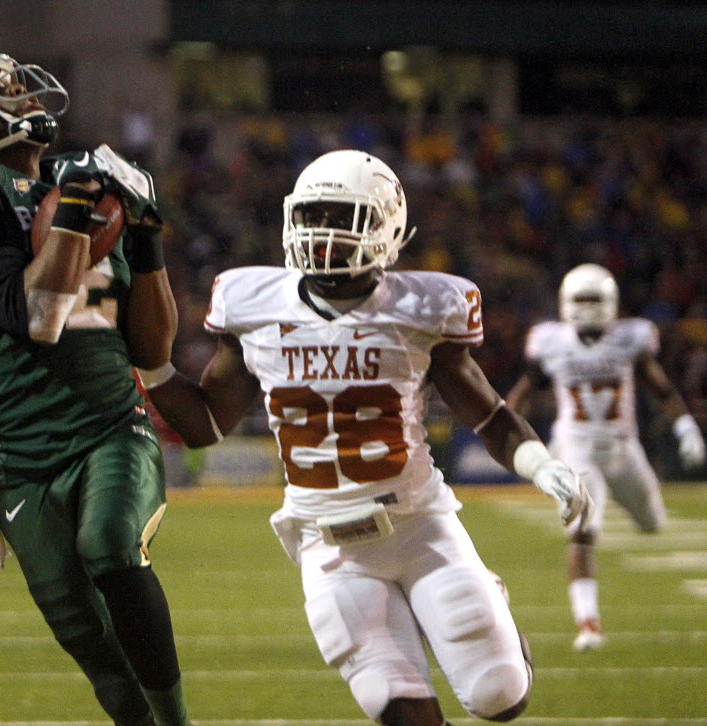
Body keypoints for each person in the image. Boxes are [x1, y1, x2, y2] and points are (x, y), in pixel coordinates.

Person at [143, 150, 593, 726]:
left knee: (499, 697)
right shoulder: (254, 305)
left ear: (387, 226)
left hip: (421, 525)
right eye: (311, 215)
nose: (322, 233)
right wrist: (152, 367)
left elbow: (488, 415)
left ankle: (492, 608)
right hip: (329, 544)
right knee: (400, 708)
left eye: (341, 215)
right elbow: (204, 425)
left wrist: (540, 465)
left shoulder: (423, 307)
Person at [0, 53, 192, 726]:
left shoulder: (74, 183)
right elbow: (37, 317)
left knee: (110, 546)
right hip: (19, 450)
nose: (22, 97)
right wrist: (78, 210)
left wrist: (145, 244)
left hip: (109, 421)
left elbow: (151, 349)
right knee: (85, 635)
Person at [505, 263, 706, 651]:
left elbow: (661, 389)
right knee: (582, 530)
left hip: (623, 447)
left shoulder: (630, 339)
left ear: (611, 302)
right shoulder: (553, 343)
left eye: (594, 299)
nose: (588, 308)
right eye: (581, 299)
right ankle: (589, 623)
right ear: (565, 302)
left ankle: (611, 494)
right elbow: (522, 393)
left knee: (652, 524)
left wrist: (686, 427)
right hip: (576, 447)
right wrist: (508, 434)